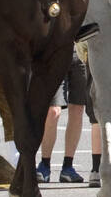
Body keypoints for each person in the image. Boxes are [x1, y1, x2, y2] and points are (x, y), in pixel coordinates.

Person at [37, 47, 88, 184]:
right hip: (56, 52)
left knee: (77, 109)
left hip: (81, 50)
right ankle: (44, 164)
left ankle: (68, 166)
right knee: (53, 111)